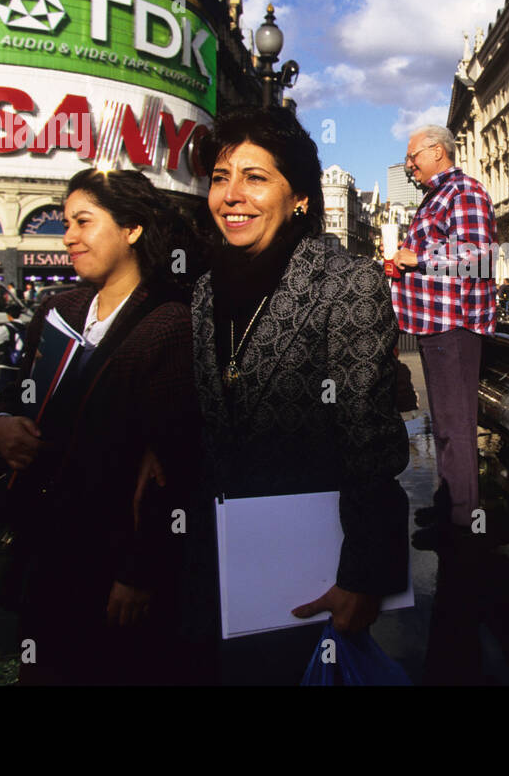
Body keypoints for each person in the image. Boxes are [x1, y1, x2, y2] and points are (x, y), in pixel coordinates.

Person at [190, 106, 409, 685]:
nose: (231, 196)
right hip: (224, 560)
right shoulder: (206, 292)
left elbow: (372, 442)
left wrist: (366, 574)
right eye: (220, 177)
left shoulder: (346, 282)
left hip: (315, 568)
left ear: (301, 199)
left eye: (255, 178)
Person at [0, 168, 201, 685]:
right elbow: (14, 395)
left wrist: (139, 572)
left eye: (83, 221)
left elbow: (175, 467)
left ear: (132, 229)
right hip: (43, 547)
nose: (68, 237)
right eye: (64, 223)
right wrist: (2, 426)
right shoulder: (60, 308)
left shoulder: (168, 323)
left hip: (107, 562)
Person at [391, 125, 497, 539]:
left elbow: (479, 254)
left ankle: (461, 522)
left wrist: (416, 257)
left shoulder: (463, 191)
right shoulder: (437, 196)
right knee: (445, 426)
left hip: (455, 324)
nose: (408, 164)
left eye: (413, 155)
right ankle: (446, 505)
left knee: (456, 428)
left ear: (438, 151)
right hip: (436, 324)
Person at [0, 304, 27, 394]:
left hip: (7, 361)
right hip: (22, 361)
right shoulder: (26, 327)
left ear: (8, 316)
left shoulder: (6, 328)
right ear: (20, 315)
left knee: (5, 386)